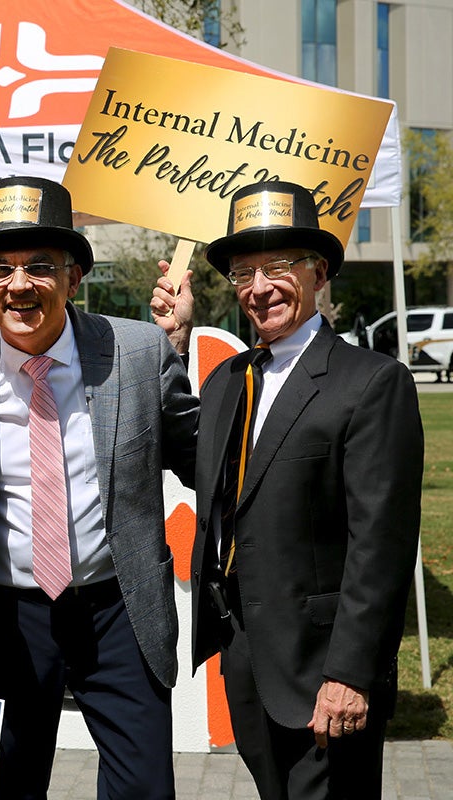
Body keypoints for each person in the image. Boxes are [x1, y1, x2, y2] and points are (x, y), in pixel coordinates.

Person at [0, 176, 198, 799]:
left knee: (144, 790)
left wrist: (181, 348)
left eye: (40, 266)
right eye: (0, 268)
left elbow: (200, 458)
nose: (18, 285)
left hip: (117, 608)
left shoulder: (138, 352)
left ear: (74, 278)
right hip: (4, 616)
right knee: (8, 788)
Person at [152, 180, 423, 800]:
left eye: (278, 268)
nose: (259, 287)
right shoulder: (228, 379)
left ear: (318, 272)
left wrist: (350, 674)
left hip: (324, 670)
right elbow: (203, 470)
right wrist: (173, 346)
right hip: (248, 659)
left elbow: (381, 548)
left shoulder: (372, 383)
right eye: (243, 273)